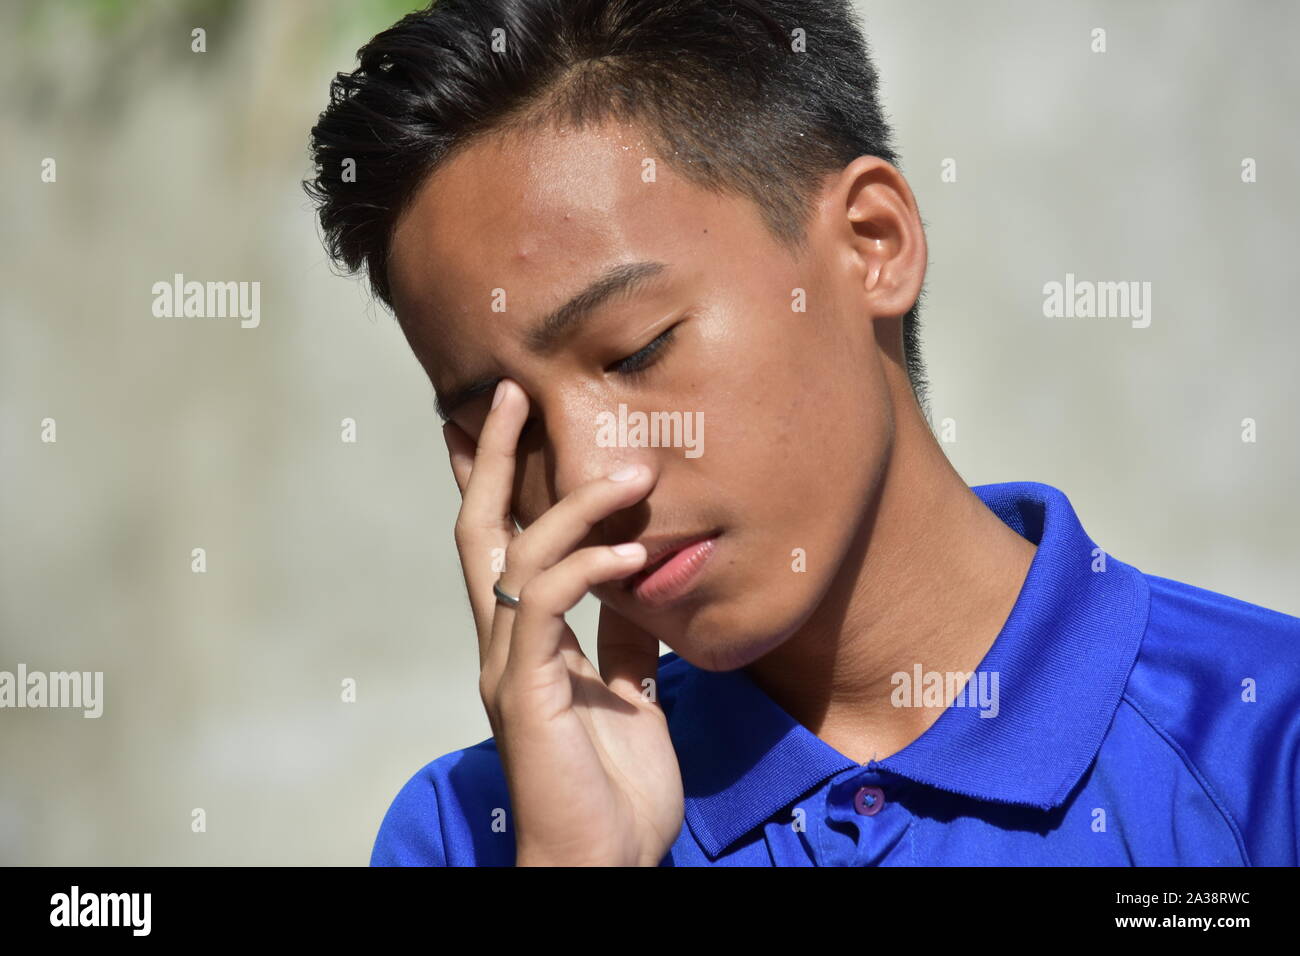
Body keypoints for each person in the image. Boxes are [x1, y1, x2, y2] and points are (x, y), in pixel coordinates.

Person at [304, 0, 1300, 865]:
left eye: (639, 348)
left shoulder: (1263, 751)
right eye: (504, 424)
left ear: (872, 245)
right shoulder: (473, 831)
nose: (588, 474)